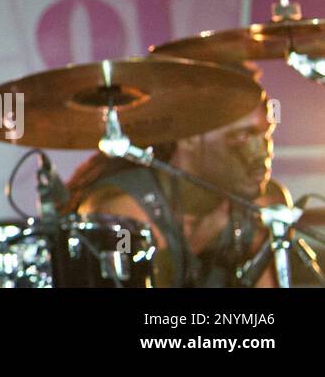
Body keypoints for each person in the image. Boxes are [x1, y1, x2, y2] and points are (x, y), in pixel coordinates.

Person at [63, 74, 282, 287]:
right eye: (243, 136)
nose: (262, 153)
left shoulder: (263, 209)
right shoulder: (122, 213)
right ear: (188, 139)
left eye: (267, 135)